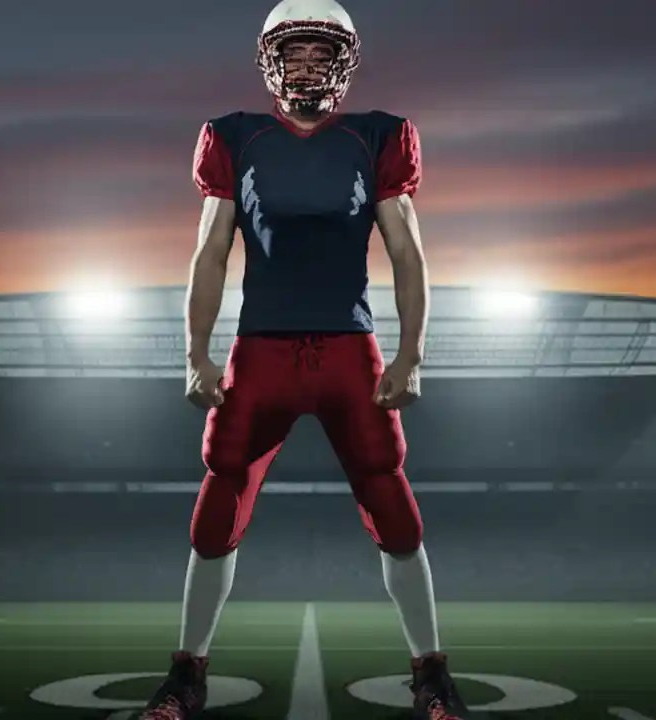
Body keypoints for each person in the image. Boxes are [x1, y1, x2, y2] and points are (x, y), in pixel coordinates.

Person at [138, 1, 468, 718]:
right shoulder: (236, 137)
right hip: (262, 350)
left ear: (346, 60)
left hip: (348, 347)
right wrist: (195, 352)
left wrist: (411, 354)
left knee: (392, 503)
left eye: (323, 53)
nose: (309, 66)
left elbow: (407, 251)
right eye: (296, 53)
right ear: (270, 59)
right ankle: (186, 671)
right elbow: (210, 252)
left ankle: (432, 672)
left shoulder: (376, 136)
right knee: (218, 500)